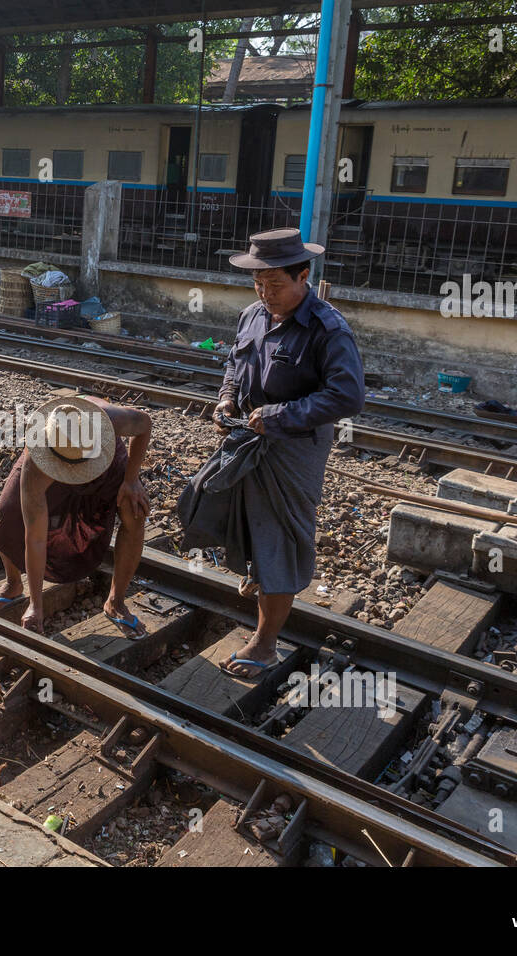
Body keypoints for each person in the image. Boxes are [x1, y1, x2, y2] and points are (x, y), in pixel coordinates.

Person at [179, 227, 365, 678]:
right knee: (212, 504)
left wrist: (280, 415)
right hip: (249, 438)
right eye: (258, 283)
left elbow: (347, 397)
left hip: (293, 451)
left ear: (303, 277)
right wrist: (226, 398)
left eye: (276, 284)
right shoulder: (252, 315)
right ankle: (258, 573)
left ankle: (264, 645)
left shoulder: (328, 330)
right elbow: (234, 364)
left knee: (279, 540)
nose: (266, 293)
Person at [0, 395, 151, 636]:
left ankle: (115, 602)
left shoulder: (112, 420)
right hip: (52, 461)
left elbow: (145, 424)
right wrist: (35, 605)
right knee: (8, 513)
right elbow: (36, 538)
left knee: (135, 512)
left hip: (107, 461)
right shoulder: (37, 465)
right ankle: (13, 583)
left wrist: (131, 480)